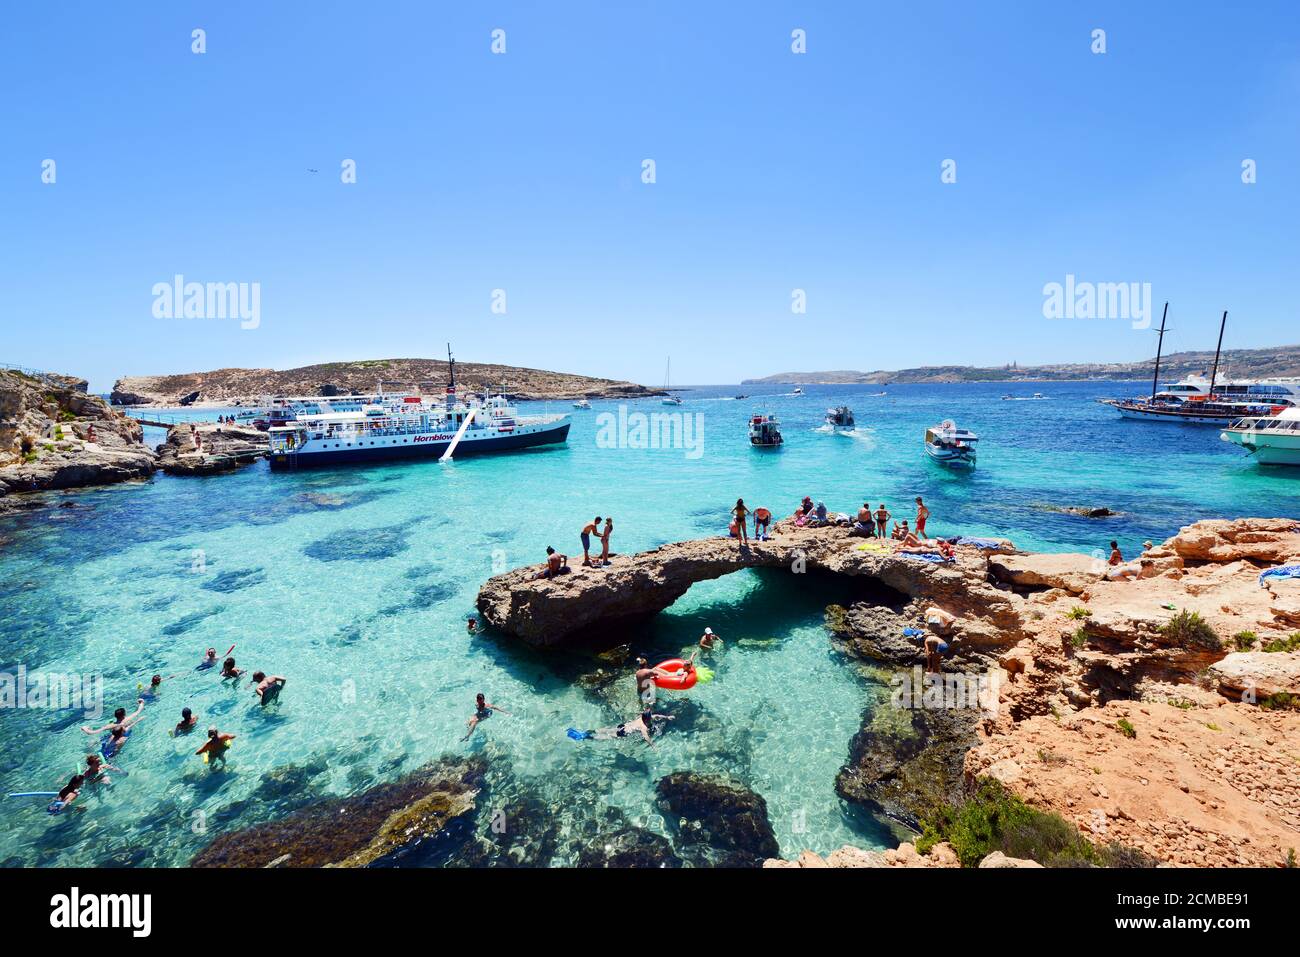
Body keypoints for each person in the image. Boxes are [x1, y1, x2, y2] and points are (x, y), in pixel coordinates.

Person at [579, 709, 676, 747]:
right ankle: (589, 737)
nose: (652, 716)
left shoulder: (643, 718)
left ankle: (591, 731)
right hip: (624, 732)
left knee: (608, 730)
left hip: (623, 726)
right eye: (650, 716)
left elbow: (658, 716)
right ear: (647, 719)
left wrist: (667, 717)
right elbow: (646, 737)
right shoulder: (643, 726)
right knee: (609, 737)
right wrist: (653, 745)